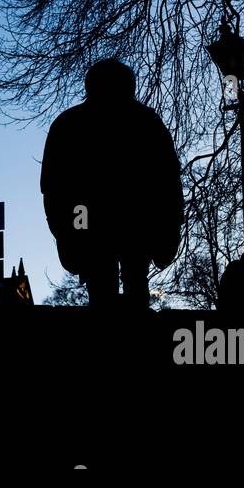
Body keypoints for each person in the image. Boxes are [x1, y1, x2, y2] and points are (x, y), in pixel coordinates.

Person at [41, 59, 183, 307]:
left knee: (104, 288)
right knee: (133, 282)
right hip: (136, 218)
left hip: (92, 220)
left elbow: (56, 188)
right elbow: (167, 180)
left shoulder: (69, 124)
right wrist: (166, 226)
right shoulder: (147, 122)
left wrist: (71, 231)